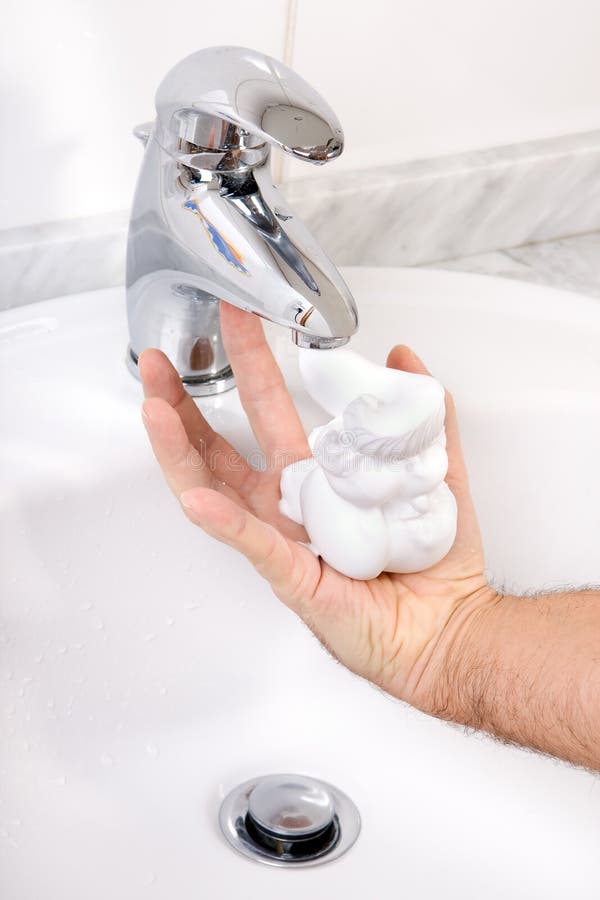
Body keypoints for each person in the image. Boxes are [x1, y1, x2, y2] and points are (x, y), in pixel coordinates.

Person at [138, 301, 600, 771]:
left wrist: (457, 636)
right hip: (343, 505)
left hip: (364, 510)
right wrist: (458, 638)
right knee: (359, 549)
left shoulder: (405, 481)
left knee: (386, 538)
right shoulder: (358, 482)